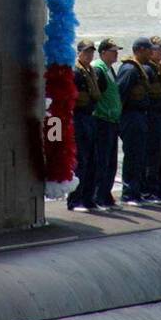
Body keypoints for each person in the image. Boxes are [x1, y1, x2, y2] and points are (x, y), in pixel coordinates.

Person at [116, 38, 154, 204]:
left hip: (140, 116)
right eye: (148, 50)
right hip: (130, 116)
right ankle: (128, 193)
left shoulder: (141, 70)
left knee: (140, 156)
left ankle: (137, 192)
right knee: (132, 156)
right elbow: (120, 95)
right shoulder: (130, 70)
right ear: (139, 50)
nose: (151, 53)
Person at [66, 39, 100, 211]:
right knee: (81, 161)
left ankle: (88, 199)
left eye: (91, 52)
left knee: (92, 161)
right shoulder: (76, 72)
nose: (89, 55)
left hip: (89, 118)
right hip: (78, 119)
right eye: (86, 52)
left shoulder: (90, 71)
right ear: (78, 53)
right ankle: (75, 200)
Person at [91, 39, 121, 209]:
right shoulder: (99, 69)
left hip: (112, 121)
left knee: (110, 161)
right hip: (102, 121)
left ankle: (105, 195)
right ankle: (98, 196)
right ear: (103, 53)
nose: (116, 53)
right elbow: (96, 95)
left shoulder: (110, 69)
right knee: (101, 161)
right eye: (113, 51)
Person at [143, 37, 161, 202]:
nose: (160, 51)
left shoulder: (159, 69)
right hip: (152, 117)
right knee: (152, 157)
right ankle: (149, 191)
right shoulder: (147, 69)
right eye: (157, 48)